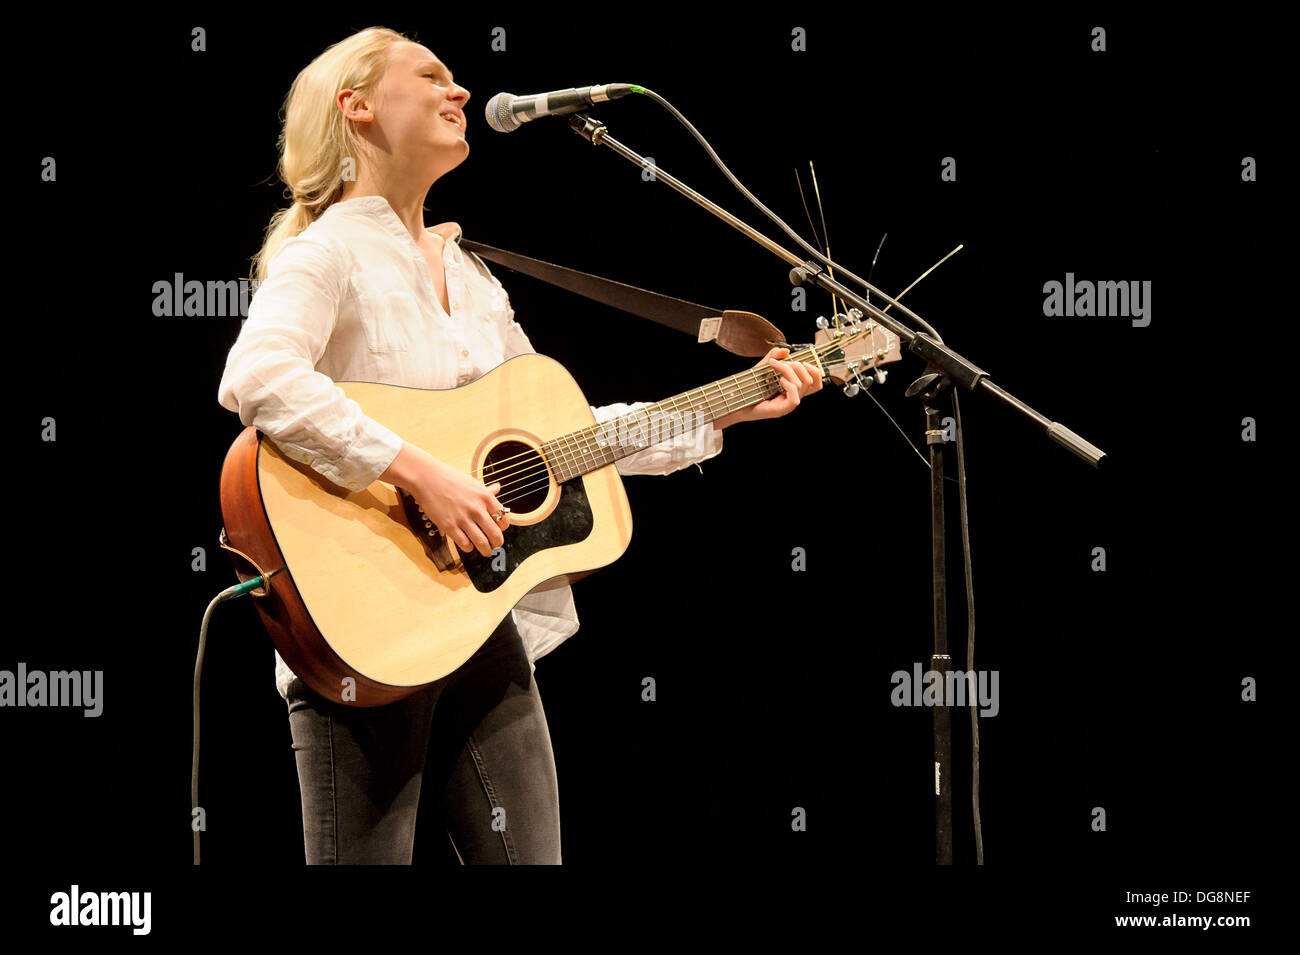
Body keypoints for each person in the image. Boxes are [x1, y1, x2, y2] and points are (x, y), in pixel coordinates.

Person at [217, 25, 823, 865]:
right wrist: (420, 473)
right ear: (355, 107)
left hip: (480, 613)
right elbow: (259, 376)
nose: (461, 92)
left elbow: (556, 442)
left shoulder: (471, 276)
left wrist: (728, 408)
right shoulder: (329, 253)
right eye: (432, 76)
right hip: (359, 620)